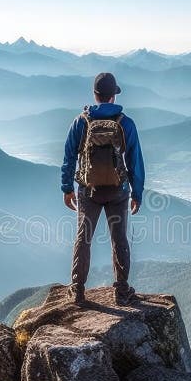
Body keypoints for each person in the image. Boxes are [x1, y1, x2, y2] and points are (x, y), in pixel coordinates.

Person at [61, 72, 145, 306]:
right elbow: (135, 161)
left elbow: (69, 156)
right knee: (119, 239)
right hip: (119, 191)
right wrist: (137, 192)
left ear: (95, 95)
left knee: (83, 237)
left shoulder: (81, 121)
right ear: (112, 96)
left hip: (89, 190)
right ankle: (121, 290)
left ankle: (77, 290)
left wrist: (67, 188)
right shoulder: (125, 123)